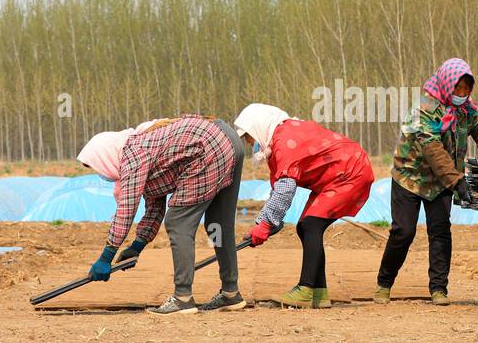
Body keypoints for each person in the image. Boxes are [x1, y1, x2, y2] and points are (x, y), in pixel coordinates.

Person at [375, 58, 478, 305]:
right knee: (403, 231)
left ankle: (439, 289)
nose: (462, 94)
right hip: (410, 177)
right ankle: (384, 283)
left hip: (440, 182)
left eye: (466, 89)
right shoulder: (424, 109)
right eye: (458, 88)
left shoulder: (467, 109)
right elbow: (433, 149)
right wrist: (457, 181)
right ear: (447, 84)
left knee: (440, 231)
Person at [78, 115, 245, 315]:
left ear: (104, 157)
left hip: (208, 145)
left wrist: (106, 256)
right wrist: (137, 246)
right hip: (226, 141)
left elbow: (126, 210)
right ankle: (230, 292)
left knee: (178, 222)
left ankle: (182, 298)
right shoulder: (139, 152)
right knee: (217, 224)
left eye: (97, 167)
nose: (102, 174)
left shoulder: (132, 155)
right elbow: (154, 208)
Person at [234, 104, 375, 308]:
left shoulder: (284, 141)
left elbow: (285, 189)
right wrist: (262, 223)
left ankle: (306, 288)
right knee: (306, 227)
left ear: (258, 127)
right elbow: (278, 192)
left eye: (249, 136)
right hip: (334, 176)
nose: (249, 143)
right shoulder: (279, 139)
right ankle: (319, 292)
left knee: (311, 225)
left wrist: (265, 225)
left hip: (350, 172)